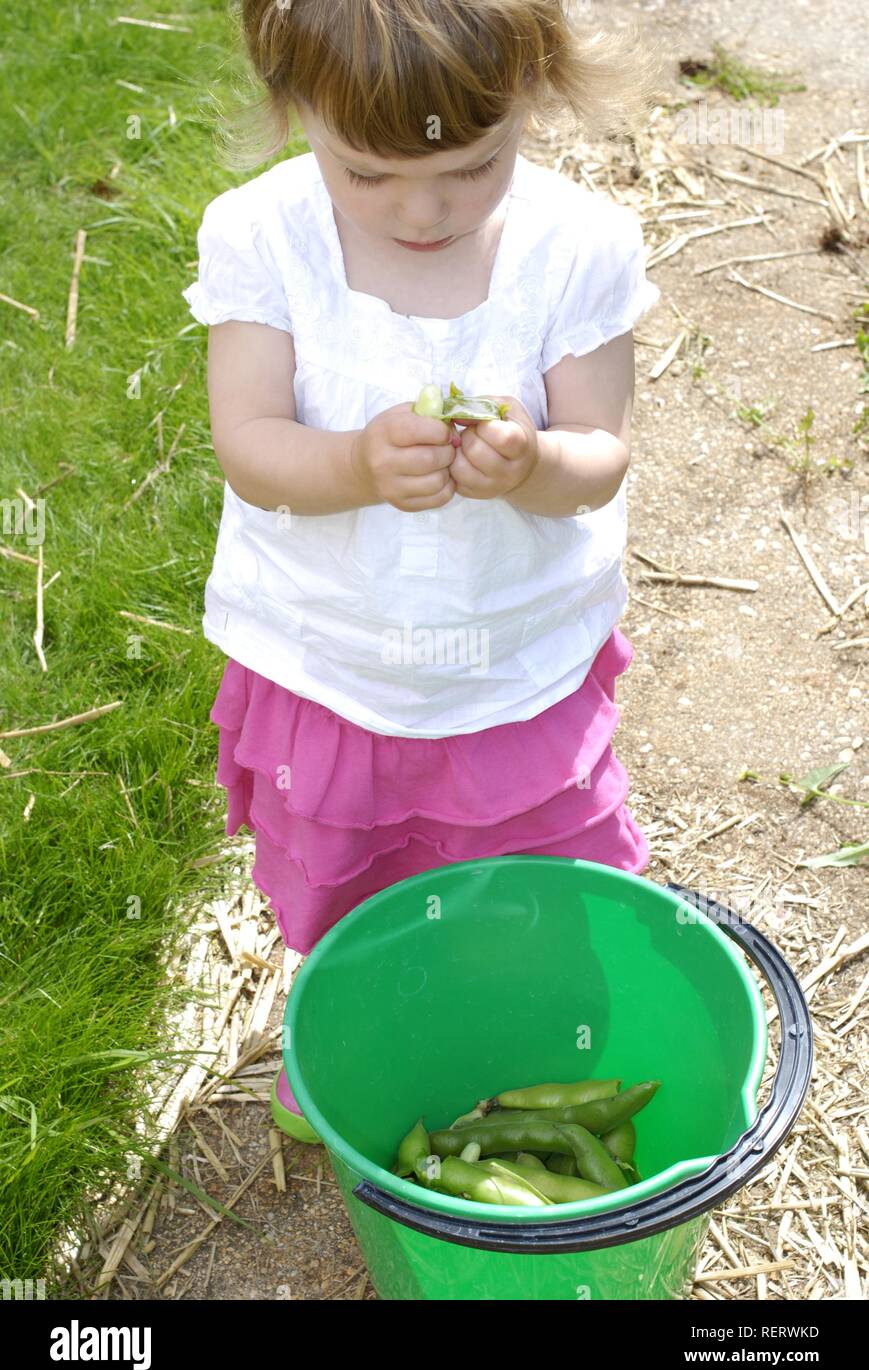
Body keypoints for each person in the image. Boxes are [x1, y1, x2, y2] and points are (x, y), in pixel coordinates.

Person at [181, 0, 664, 1143]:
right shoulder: (262, 237)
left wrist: (534, 459)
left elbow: (598, 457)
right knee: (352, 876)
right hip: (332, 656)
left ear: (530, 98)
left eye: (470, 165)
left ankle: (528, 1030)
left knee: (531, 874)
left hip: (513, 661)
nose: (424, 210)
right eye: (368, 173)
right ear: (296, 108)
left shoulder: (576, 244)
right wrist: (350, 460)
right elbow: (250, 446)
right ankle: (357, 1020)